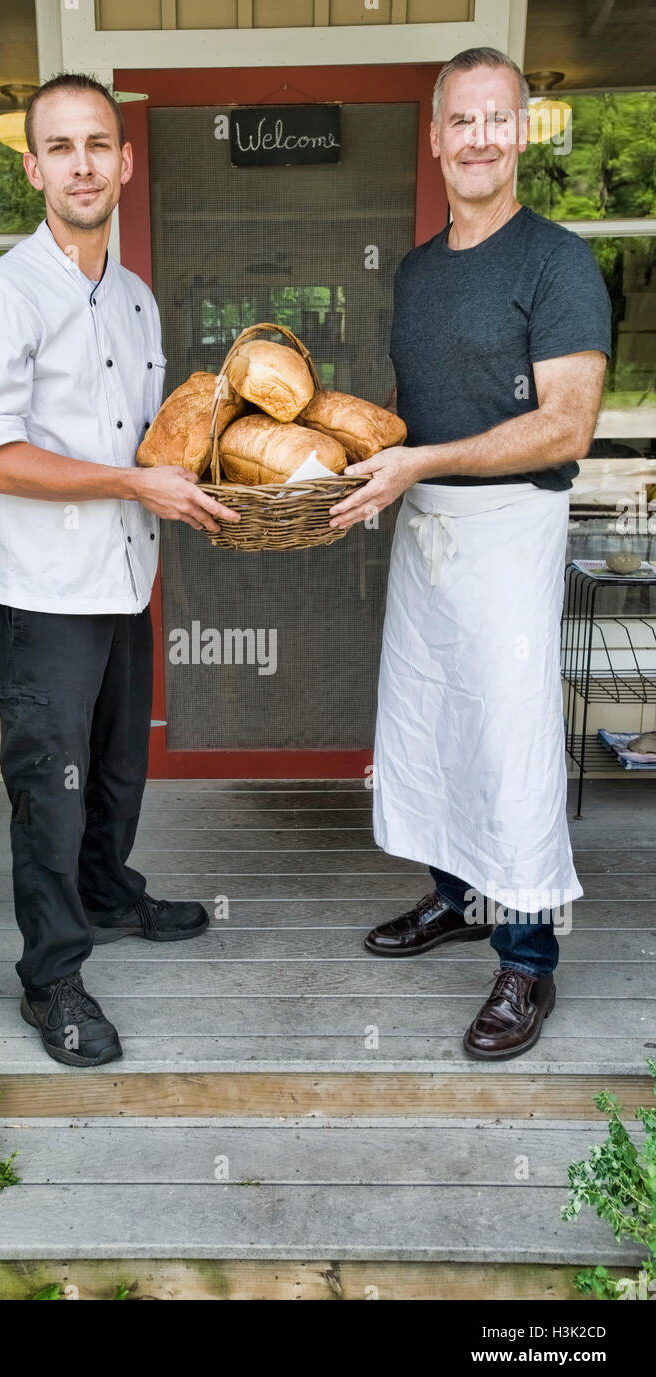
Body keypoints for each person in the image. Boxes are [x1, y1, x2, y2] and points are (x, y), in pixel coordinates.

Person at [0, 72, 239, 1069]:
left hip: (125, 583)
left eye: (97, 144)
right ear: (33, 167)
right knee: (50, 788)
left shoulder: (138, 299)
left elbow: (153, 443)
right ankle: (52, 975)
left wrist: (202, 479)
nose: (81, 163)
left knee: (115, 766)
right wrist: (132, 483)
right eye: (59, 146)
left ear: (124, 161)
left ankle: (109, 894)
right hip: (43, 599)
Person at [329, 47, 611, 1060]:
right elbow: (414, 415)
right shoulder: (413, 269)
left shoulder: (556, 261)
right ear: (436, 136)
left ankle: (527, 957)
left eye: (500, 119)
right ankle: (457, 896)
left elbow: (565, 426)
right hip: (424, 524)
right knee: (431, 722)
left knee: (508, 741)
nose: (481, 138)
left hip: (510, 531)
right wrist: (356, 472)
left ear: (520, 134)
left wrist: (424, 460)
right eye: (463, 120)